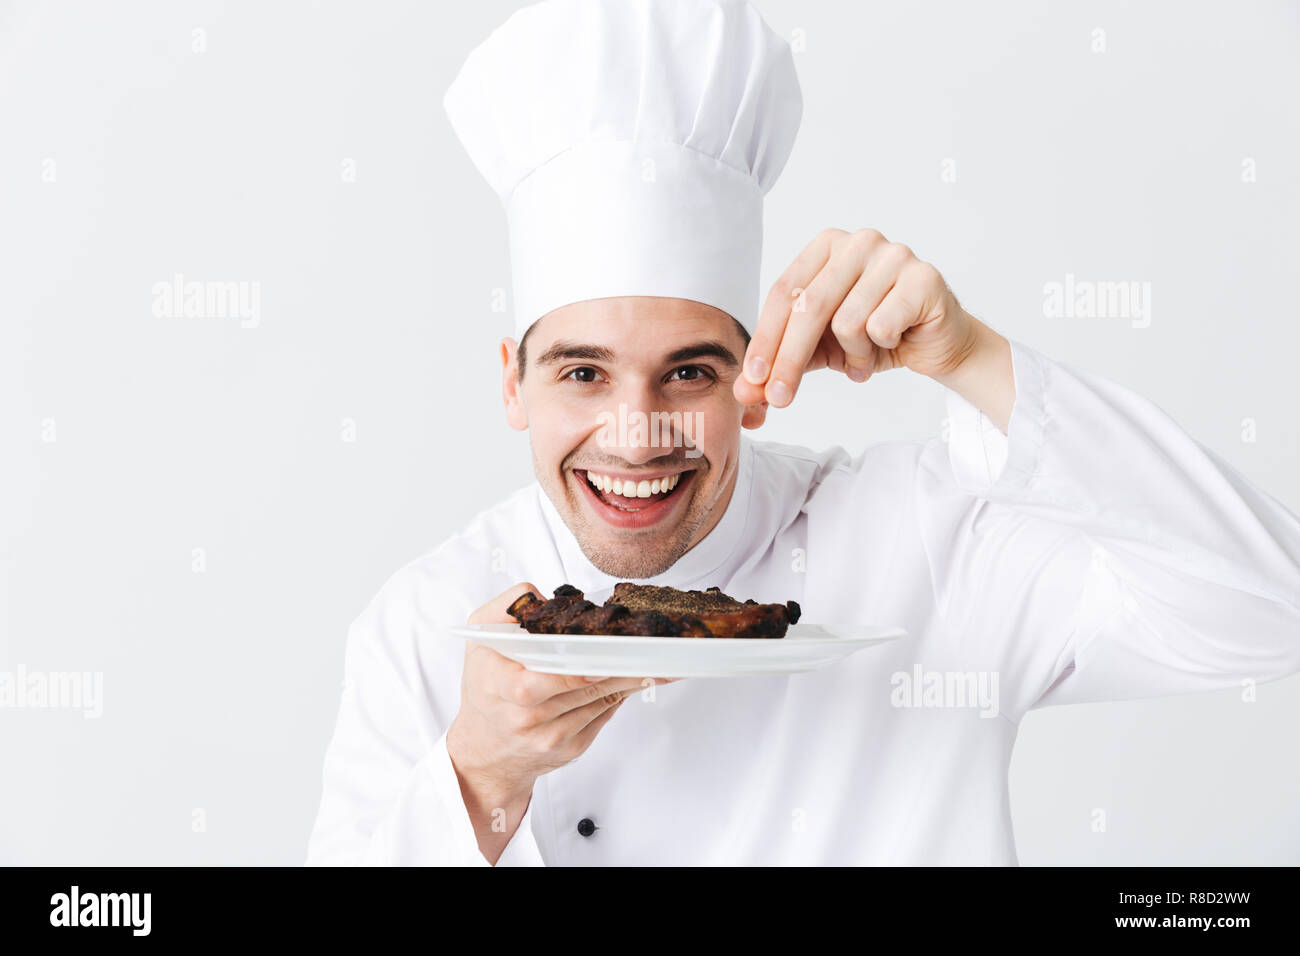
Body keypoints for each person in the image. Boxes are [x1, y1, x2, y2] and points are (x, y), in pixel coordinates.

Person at [305, 0, 1300, 865]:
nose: (636, 430)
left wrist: (973, 358)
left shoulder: (924, 543)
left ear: (757, 376)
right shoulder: (423, 626)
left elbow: (1270, 608)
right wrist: (477, 775)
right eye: (581, 371)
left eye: (689, 369)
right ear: (512, 384)